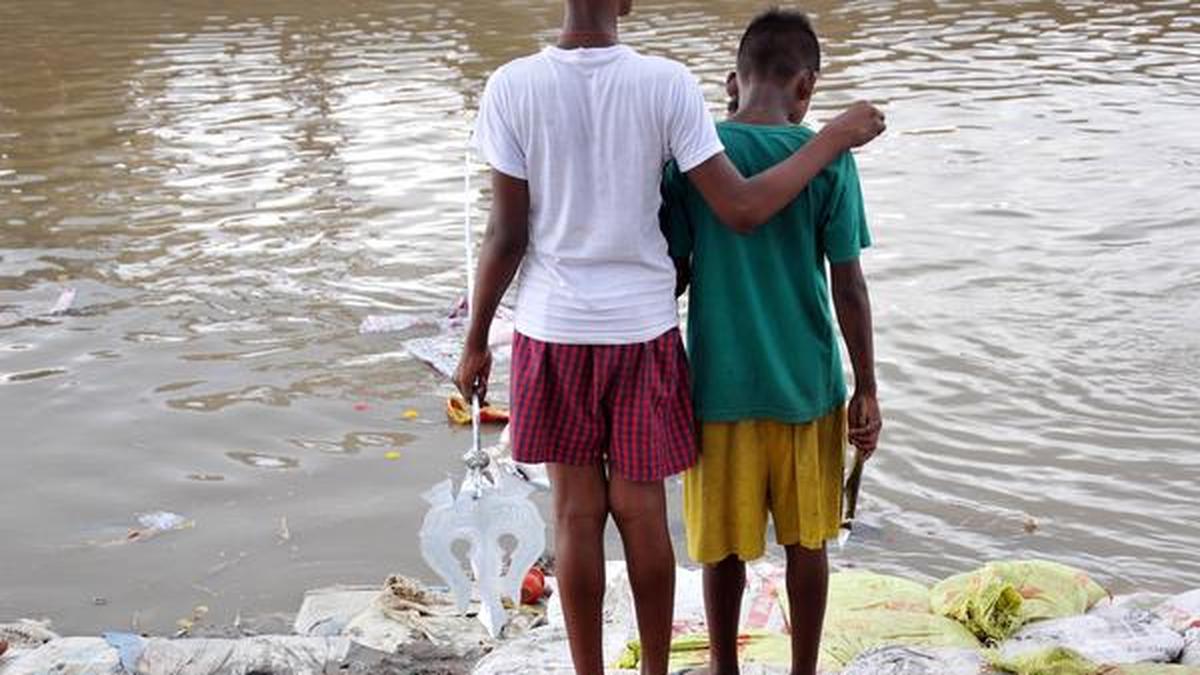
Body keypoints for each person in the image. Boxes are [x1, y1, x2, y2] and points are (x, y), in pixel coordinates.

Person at [453, 1, 885, 673]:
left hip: (559, 330)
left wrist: (476, 337)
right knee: (646, 513)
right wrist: (830, 138)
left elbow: (507, 234)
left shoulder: (510, 86)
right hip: (653, 335)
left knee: (576, 517)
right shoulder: (669, 85)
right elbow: (750, 216)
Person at [662, 9, 883, 675]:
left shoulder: (698, 159)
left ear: (734, 81)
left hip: (718, 388)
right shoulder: (828, 161)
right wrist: (866, 386)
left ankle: (723, 664)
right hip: (807, 386)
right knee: (807, 542)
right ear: (806, 86)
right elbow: (849, 286)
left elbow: (670, 274)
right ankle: (803, 669)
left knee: (721, 550)